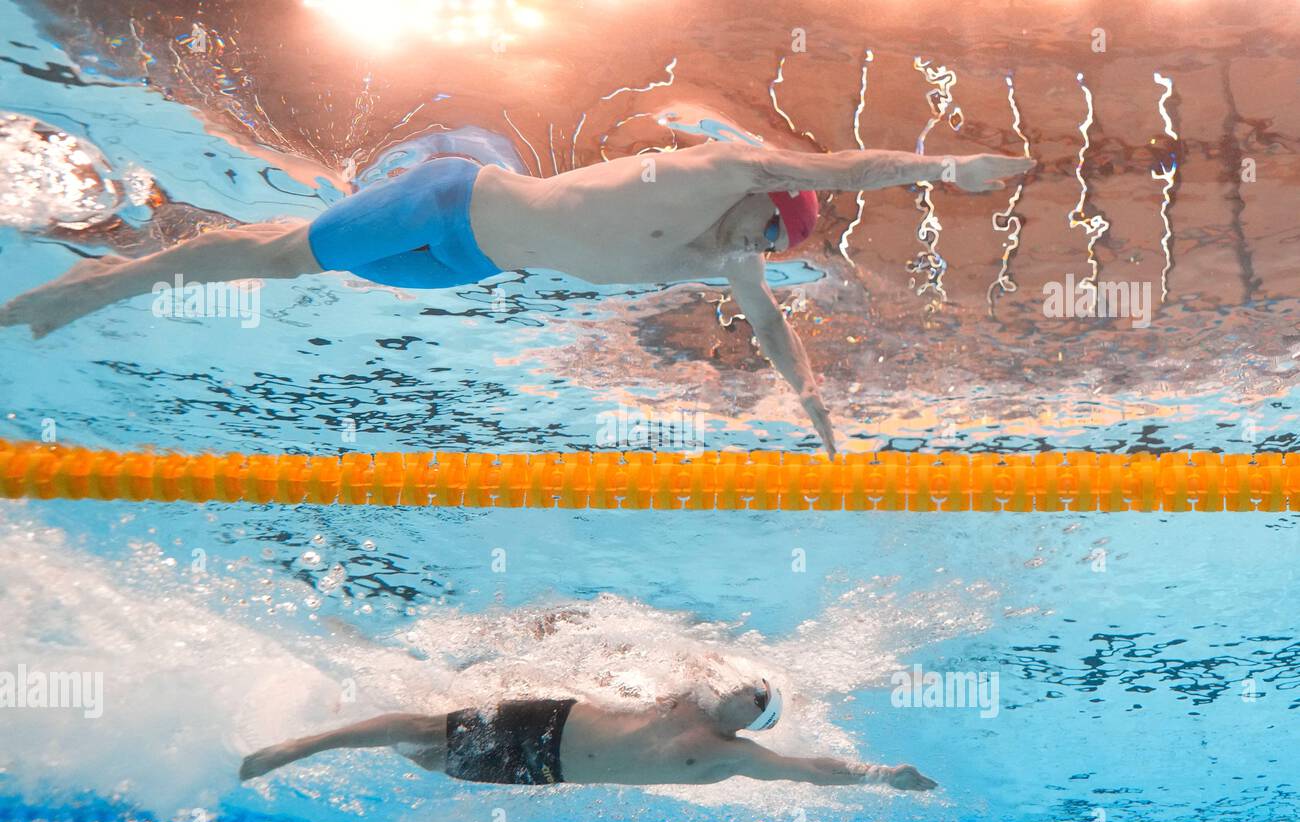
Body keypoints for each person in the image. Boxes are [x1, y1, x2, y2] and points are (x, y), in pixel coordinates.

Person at [0, 138, 1032, 455]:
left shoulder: (721, 258)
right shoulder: (712, 175)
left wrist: (817, 411)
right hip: (453, 193)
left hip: (466, 265)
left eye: (773, 243)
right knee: (270, 263)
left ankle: (128, 251)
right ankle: (95, 289)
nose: (756, 246)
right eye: (769, 226)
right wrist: (945, 169)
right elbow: (837, 165)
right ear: (763, 198)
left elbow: (768, 328)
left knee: (271, 250)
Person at [238, 678, 936, 790]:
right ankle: (296, 747)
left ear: (752, 719)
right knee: (428, 727)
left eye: (751, 697)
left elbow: (810, 771)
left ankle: (346, 700)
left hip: (544, 770)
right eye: (743, 682)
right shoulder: (689, 693)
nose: (735, 688)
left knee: (426, 759)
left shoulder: (729, 759)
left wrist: (883, 776)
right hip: (544, 719)